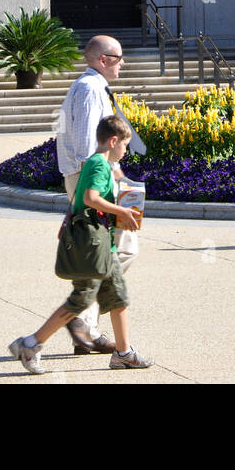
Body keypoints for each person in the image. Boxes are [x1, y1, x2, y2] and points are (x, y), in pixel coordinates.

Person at [9, 116, 152, 374]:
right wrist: (122, 211)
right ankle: (29, 345)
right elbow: (90, 198)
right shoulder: (99, 165)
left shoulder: (96, 162)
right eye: (124, 146)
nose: (125, 152)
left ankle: (124, 353)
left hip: (102, 245)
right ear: (113, 140)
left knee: (118, 296)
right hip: (92, 245)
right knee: (81, 299)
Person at [55, 34, 146, 353]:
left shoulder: (89, 86)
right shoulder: (91, 89)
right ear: (104, 60)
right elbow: (86, 145)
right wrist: (105, 182)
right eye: (120, 57)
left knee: (107, 251)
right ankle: (80, 317)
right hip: (90, 178)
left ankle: (85, 325)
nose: (124, 63)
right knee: (121, 250)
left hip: (90, 177)